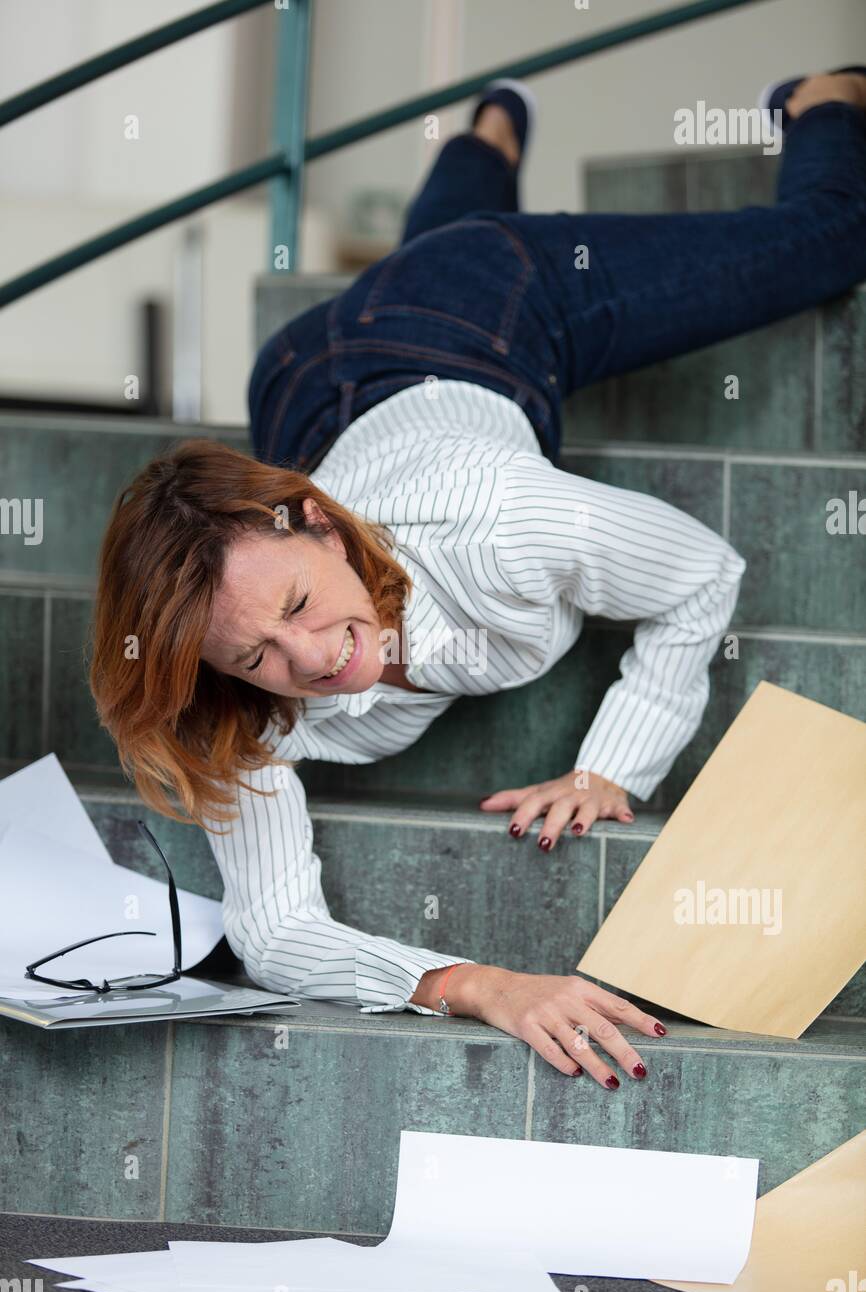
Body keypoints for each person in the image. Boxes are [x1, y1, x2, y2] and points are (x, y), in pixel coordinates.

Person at [90, 68, 866, 1087]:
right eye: (256, 654)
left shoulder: (507, 525)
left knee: (826, 238)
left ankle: (821, 95)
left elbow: (695, 572)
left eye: (296, 608)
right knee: (419, 254)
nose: (312, 658)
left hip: (481, 313)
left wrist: (609, 767)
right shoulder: (242, 693)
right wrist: (476, 983)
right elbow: (276, 933)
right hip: (298, 379)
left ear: (320, 526)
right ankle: (490, 130)